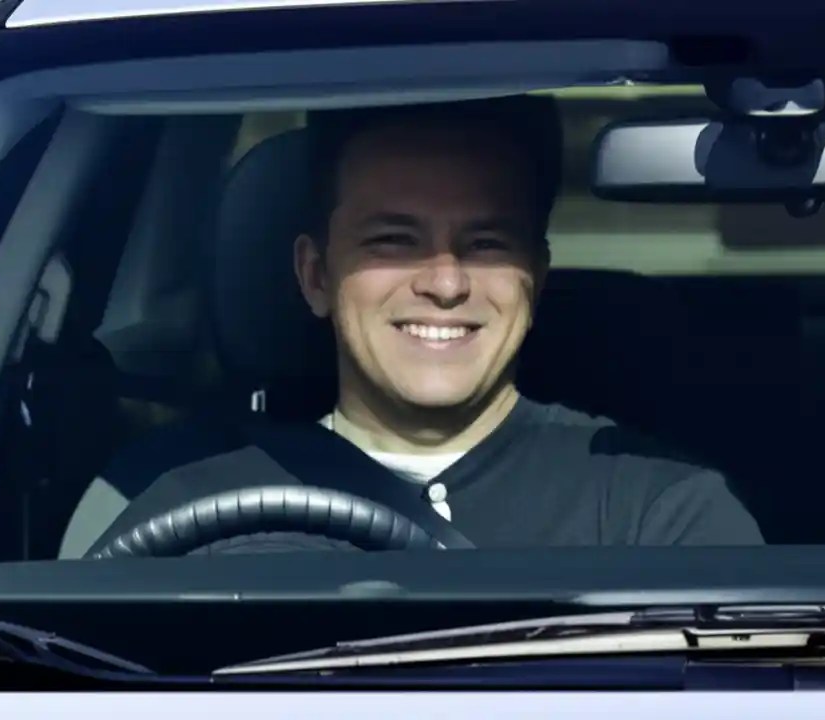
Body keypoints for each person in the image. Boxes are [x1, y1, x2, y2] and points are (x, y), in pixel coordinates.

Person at [74, 97, 763, 556]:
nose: (445, 282)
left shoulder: (660, 512)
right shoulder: (181, 503)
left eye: (486, 243)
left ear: (537, 280)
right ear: (316, 276)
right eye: (393, 241)